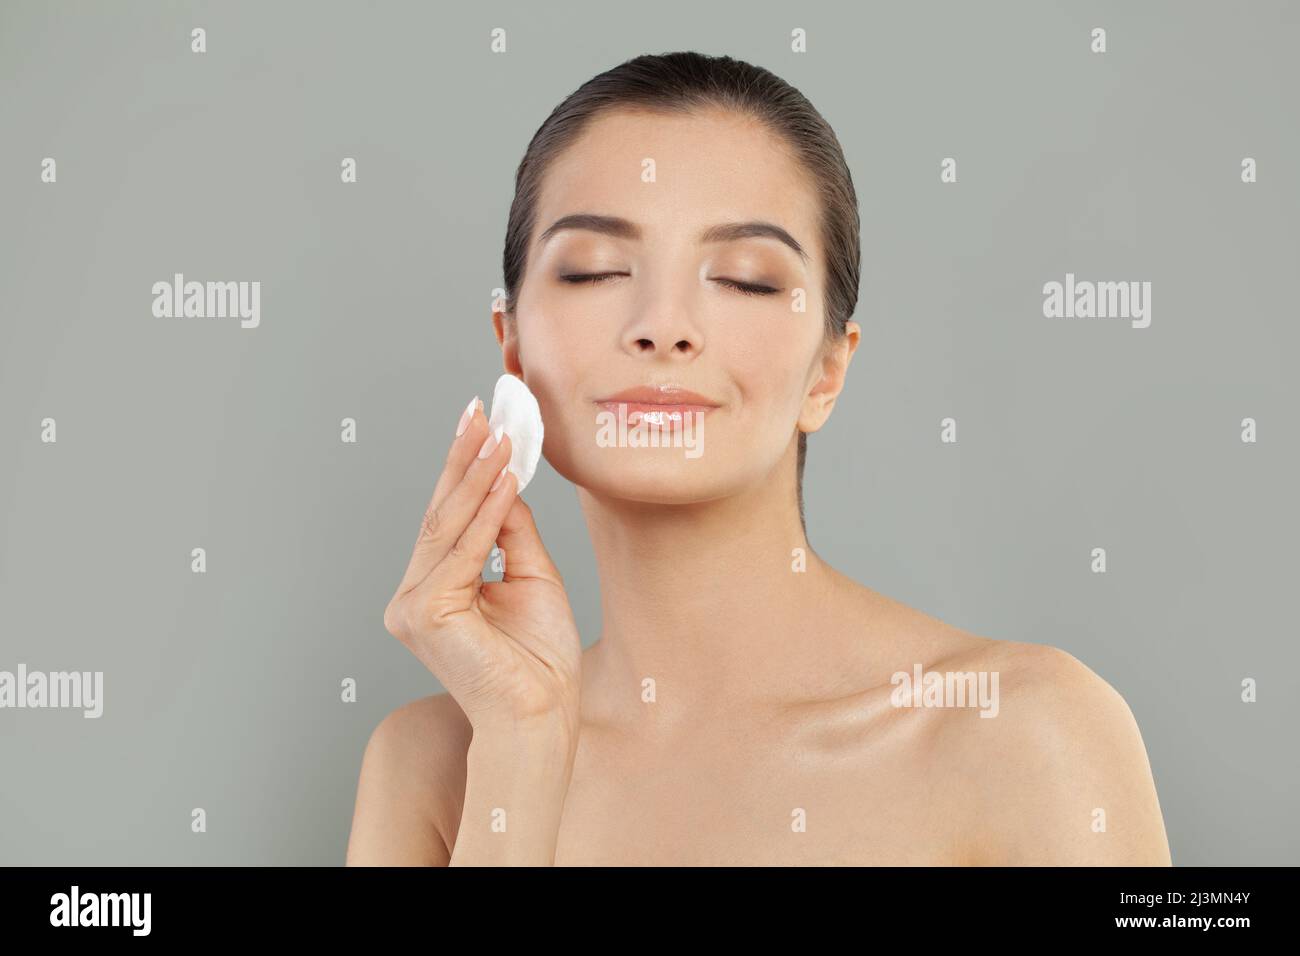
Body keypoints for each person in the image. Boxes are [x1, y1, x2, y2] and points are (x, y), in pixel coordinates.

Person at [346, 51, 1172, 866]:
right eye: (596, 269)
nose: (662, 325)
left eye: (744, 280)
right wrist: (521, 748)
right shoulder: (434, 762)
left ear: (828, 370)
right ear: (515, 351)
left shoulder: (1027, 731)